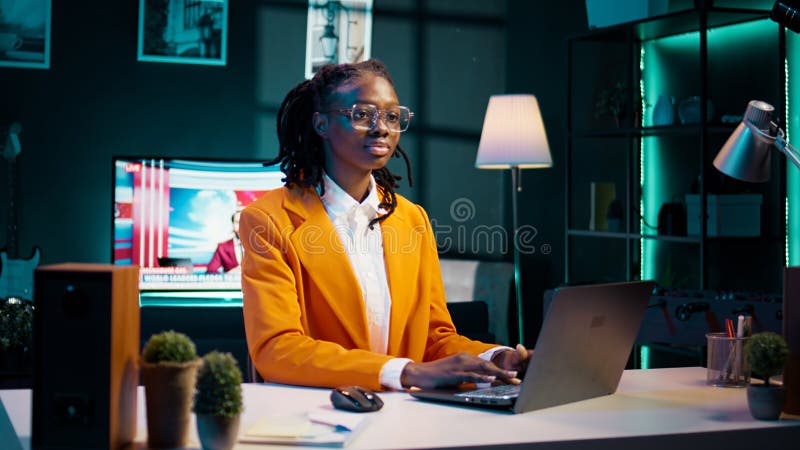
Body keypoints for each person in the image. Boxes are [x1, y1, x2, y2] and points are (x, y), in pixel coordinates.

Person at [240, 59, 529, 391]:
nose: (382, 127)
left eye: (392, 116)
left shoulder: (412, 219)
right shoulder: (268, 219)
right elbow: (278, 350)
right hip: (317, 417)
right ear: (320, 124)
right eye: (363, 115)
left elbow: (434, 338)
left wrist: (496, 360)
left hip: (404, 417)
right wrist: (405, 373)